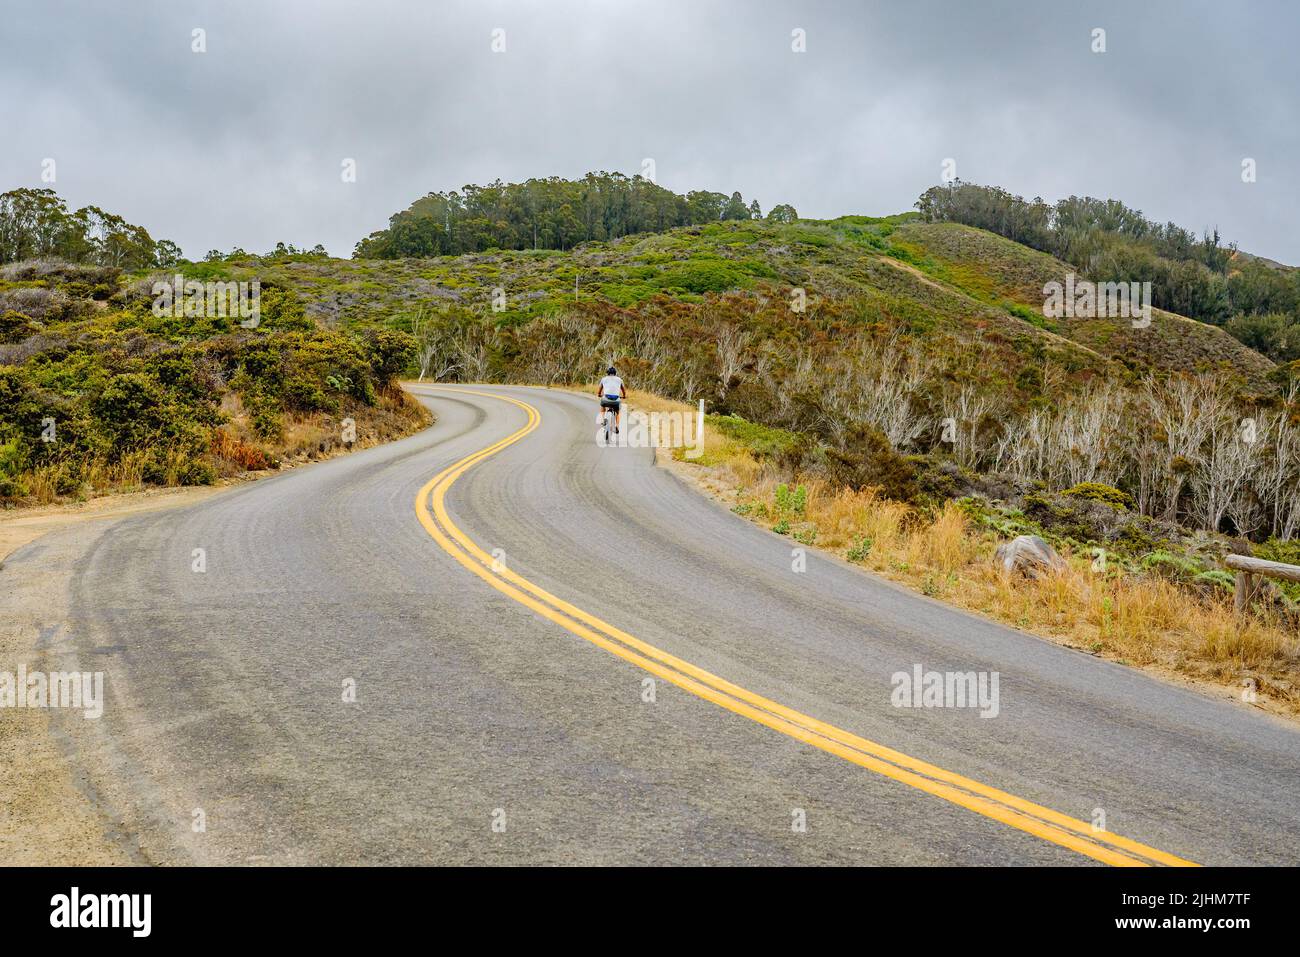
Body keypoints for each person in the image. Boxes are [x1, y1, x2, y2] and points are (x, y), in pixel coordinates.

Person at [596, 366, 626, 434]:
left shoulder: (604, 379)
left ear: (608, 373)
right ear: (615, 373)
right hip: (616, 400)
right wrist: (624, 396)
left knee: (602, 406)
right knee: (617, 412)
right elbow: (623, 390)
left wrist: (598, 394)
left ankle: (603, 420)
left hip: (606, 399)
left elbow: (599, 390)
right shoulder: (620, 379)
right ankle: (617, 426)